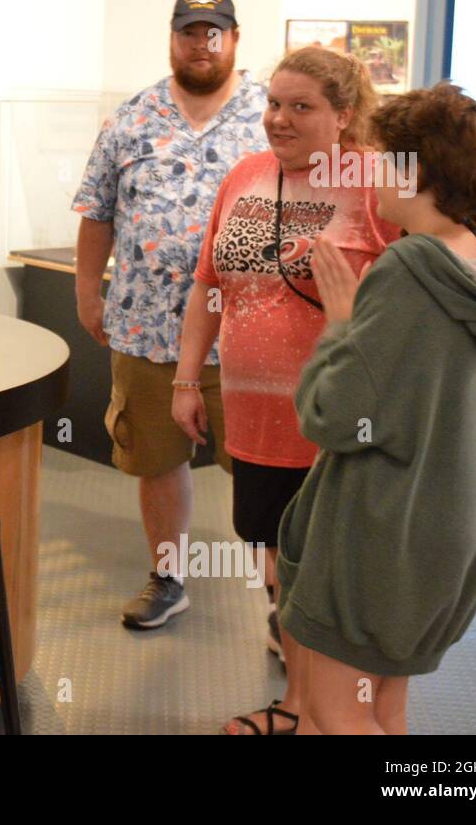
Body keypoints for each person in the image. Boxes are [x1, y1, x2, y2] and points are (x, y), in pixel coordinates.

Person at [280, 83, 476, 734]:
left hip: (382, 538)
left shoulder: (408, 269)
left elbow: (331, 413)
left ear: (415, 171)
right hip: (450, 534)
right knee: (385, 706)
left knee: (336, 711)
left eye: (383, 160)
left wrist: (339, 323)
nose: (370, 177)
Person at [173, 47, 398, 734]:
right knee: (281, 577)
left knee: (333, 586)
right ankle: (299, 707)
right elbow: (208, 284)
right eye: (274, 103)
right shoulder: (245, 175)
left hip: (338, 428)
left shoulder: (375, 185)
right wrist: (187, 378)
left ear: (344, 115)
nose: (279, 118)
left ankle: (342, 718)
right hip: (254, 422)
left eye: (302, 107)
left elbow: (408, 299)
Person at [71, 0, 269, 630]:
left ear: (234, 38)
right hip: (146, 328)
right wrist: (86, 291)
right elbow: (97, 212)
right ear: (173, 36)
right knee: (155, 460)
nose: (201, 44)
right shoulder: (133, 117)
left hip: (251, 338)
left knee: (265, 474)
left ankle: (279, 604)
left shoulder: (272, 115)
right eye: (190, 32)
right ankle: (167, 577)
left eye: (214, 33)